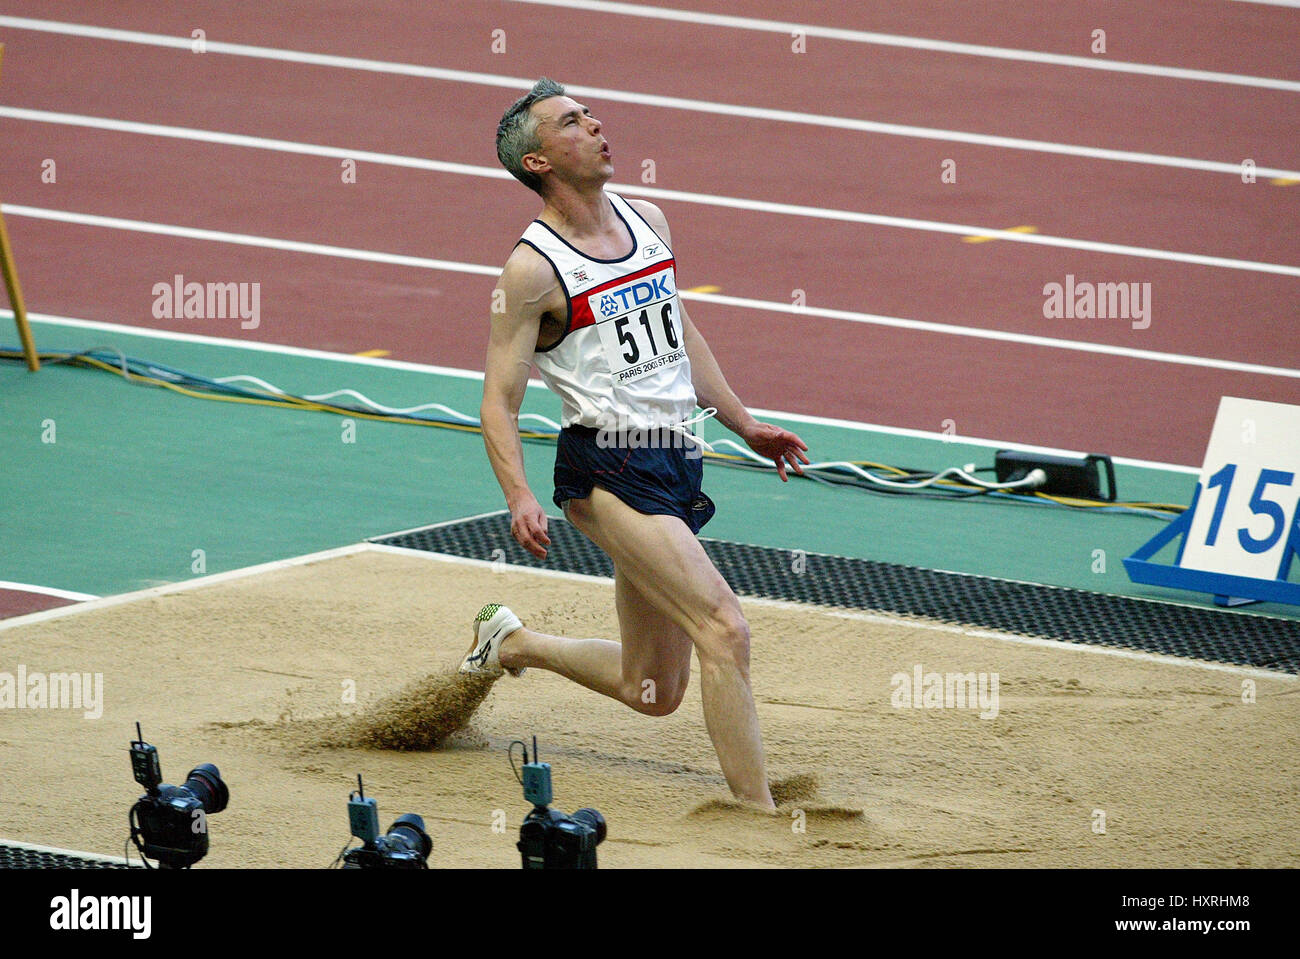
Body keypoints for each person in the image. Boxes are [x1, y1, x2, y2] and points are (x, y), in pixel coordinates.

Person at [462, 78, 809, 810]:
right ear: (538, 163)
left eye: (589, 113)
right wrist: (519, 493)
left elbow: (678, 327)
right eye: (570, 122)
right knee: (725, 627)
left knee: (652, 688)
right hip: (607, 468)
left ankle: (514, 644)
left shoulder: (648, 219)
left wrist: (743, 421)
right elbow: (499, 396)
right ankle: (757, 815)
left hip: (676, 458)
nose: (595, 124)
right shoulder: (532, 271)